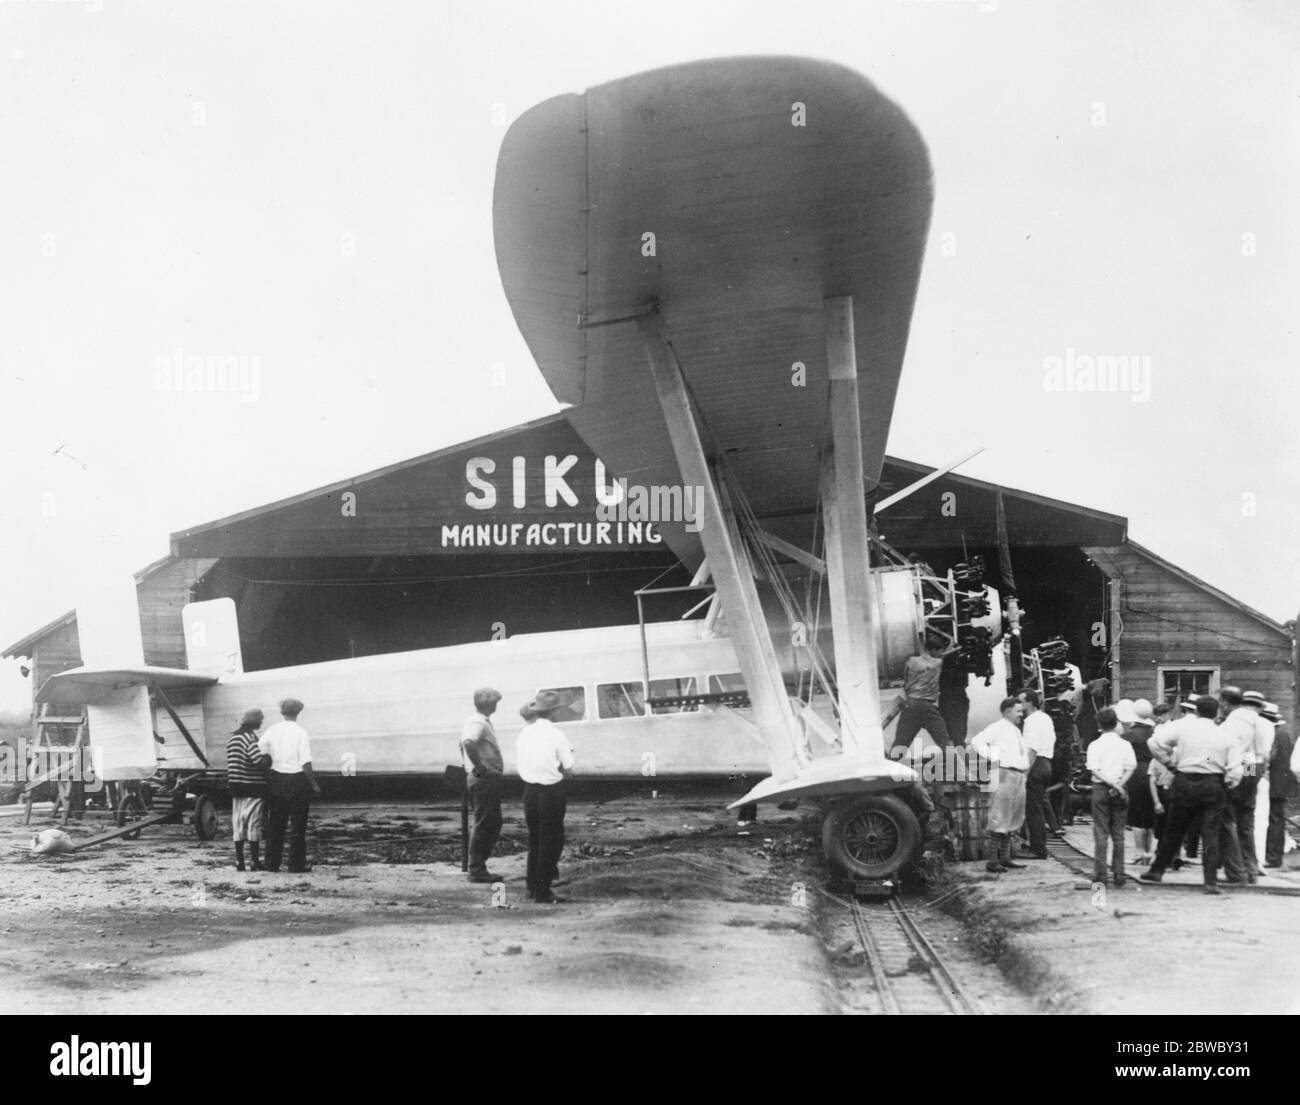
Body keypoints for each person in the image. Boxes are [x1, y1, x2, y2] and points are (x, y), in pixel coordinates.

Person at [1142, 696, 1243, 894]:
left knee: (1174, 829)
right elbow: (1236, 769)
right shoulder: (1225, 735)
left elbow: (1154, 743)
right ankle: (1210, 881)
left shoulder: (1183, 728)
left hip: (1184, 780)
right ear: (1217, 714)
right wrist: (1229, 783)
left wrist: (1169, 764)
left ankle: (1157, 871)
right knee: (1210, 833)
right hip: (1213, 783)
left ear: (1196, 711)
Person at [516, 691, 574, 904]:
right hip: (552, 791)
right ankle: (544, 889)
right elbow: (569, 767)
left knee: (535, 838)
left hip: (529, 791)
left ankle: (533, 885)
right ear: (555, 711)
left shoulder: (525, 733)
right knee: (552, 840)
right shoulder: (557, 734)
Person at [258, 697, 321, 874]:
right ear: (298, 712)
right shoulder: (301, 732)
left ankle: (272, 863)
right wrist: (314, 783)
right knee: (298, 825)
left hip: (277, 779)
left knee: (276, 823)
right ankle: (295, 864)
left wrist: (268, 764)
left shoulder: (272, 730)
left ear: (281, 712)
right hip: (298, 780)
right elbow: (305, 762)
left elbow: (260, 749)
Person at [970, 697, 1028, 873]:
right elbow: (976, 742)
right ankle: (992, 860)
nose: (1021, 714)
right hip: (1004, 772)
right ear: (1008, 711)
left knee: (1012, 817)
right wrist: (994, 758)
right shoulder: (997, 727)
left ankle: (1005, 858)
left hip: (1018, 775)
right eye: (1018, 711)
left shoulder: (1015, 731)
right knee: (999, 817)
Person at [1218, 687, 1268, 883]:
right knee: (1246, 821)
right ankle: (1251, 868)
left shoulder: (1232, 723)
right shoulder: (1258, 720)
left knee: (1228, 819)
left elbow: (1226, 750)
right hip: (1253, 765)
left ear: (1224, 703)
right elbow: (1263, 752)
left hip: (1239, 767)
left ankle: (1236, 871)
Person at [1085, 707, 1136, 887]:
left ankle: (1100, 874)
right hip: (1121, 789)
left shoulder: (1094, 745)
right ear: (1116, 723)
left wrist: (1110, 785)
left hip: (1100, 789)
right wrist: (1119, 785)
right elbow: (1131, 767)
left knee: (1101, 832)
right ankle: (1119, 874)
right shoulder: (1125, 745)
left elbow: (1094, 769)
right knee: (1119, 833)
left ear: (1099, 725)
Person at [461, 688, 504, 883]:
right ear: (488, 704)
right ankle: (476, 869)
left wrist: (470, 765)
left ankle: (478, 867)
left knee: (490, 822)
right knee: (485, 823)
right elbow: (468, 742)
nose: (496, 705)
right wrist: (479, 766)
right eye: (495, 702)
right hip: (484, 779)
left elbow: (462, 743)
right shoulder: (478, 722)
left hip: (483, 778)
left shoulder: (477, 720)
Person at [891, 636, 954, 757]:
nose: (941, 653)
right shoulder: (937, 663)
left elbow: (906, 681)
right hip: (927, 707)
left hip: (910, 705)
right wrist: (951, 639)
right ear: (933, 650)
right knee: (945, 743)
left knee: (900, 744)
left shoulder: (911, 661)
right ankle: (963, 774)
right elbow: (948, 651)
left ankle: (888, 771)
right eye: (940, 650)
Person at [226, 707, 270, 872]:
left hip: (236, 786)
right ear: (256, 722)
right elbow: (257, 761)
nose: (261, 723)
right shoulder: (250, 738)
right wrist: (268, 759)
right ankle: (254, 862)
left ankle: (239, 862)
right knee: (253, 824)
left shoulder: (232, 739)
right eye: (260, 720)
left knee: (238, 823)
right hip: (252, 786)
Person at [1018, 689, 1055, 859]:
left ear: (1030, 703)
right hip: (1047, 763)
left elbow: (1032, 749)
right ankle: (1035, 844)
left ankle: (1038, 849)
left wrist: (1025, 773)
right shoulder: (1045, 718)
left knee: (1033, 809)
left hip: (1036, 764)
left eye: (1021, 701)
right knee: (1037, 806)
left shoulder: (1031, 721)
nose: (1019, 705)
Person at [1123, 699, 1157, 864]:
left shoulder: (1129, 735)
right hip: (1153, 772)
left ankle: (1138, 852)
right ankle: (1149, 852)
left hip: (1136, 773)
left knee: (1137, 813)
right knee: (1150, 814)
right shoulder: (1155, 732)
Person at [1263, 704, 1294, 868]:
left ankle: (1271, 856)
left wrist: (1248, 777)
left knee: (1271, 821)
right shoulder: (1284, 735)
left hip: (1269, 785)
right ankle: (1275, 857)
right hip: (1281, 785)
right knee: (1277, 820)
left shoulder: (1270, 736)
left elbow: (1262, 759)